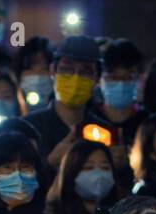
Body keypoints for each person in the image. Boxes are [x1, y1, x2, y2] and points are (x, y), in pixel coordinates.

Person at [23, 35, 104, 168]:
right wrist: (50, 163)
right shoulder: (28, 128)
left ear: (97, 79)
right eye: (67, 69)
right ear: (52, 71)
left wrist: (121, 167)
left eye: (85, 72)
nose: (75, 78)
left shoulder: (103, 131)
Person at [89, 39, 147, 177]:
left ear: (139, 79)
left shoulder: (148, 123)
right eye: (113, 77)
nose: (120, 84)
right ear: (99, 79)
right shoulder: (88, 120)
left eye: (128, 77)